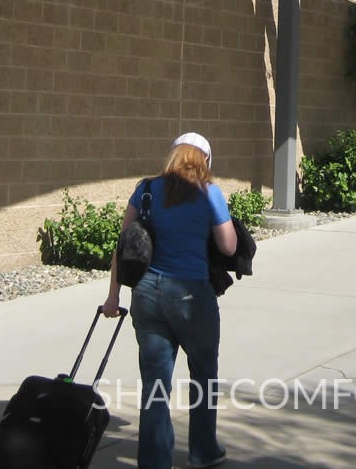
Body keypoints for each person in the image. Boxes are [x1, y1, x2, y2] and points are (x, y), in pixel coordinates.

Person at [102, 133, 236, 469]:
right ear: (204, 160)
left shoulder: (146, 189)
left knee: (155, 380)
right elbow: (229, 246)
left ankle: (154, 461)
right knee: (204, 372)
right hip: (191, 293)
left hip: (146, 293)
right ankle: (203, 451)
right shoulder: (210, 194)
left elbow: (126, 245)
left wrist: (113, 296)